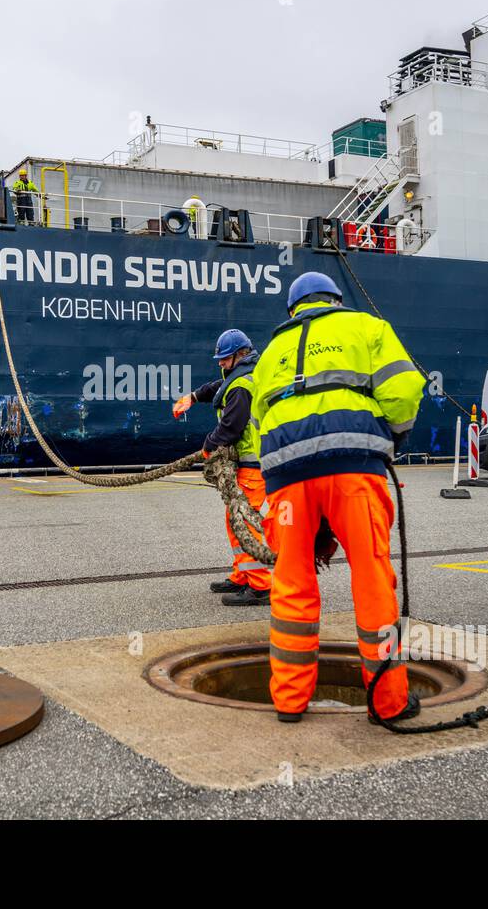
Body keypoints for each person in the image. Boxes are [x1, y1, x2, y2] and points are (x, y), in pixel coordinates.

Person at [250, 271, 426, 726]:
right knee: (371, 578)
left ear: (293, 311)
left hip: (286, 474)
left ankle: (289, 701)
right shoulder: (367, 328)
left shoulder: (271, 353)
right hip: (352, 466)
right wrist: (390, 437)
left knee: (290, 581)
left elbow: (258, 419)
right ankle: (387, 702)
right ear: (335, 300)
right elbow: (405, 389)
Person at [172, 329, 274, 606]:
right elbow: (218, 386)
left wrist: (208, 447)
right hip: (248, 463)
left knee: (245, 523)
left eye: (224, 358)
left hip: (253, 464)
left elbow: (231, 427)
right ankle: (243, 576)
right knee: (235, 521)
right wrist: (192, 397)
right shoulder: (243, 377)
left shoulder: (242, 386)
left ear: (240, 354)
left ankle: (261, 586)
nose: (220, 363)